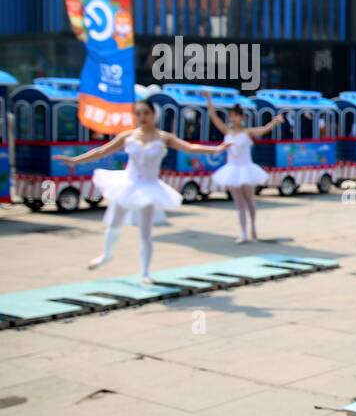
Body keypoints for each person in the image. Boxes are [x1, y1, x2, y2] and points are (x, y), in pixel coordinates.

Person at [61, 101, 225, 283]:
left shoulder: (164, 137)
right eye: (138, 114)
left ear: (154, 114)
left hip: (149, 187)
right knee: (114, 224)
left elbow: (190, 148)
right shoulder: (128, 136)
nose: (142, 117)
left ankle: (145, 272)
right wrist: (74, 160)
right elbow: (102, 151)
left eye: (146, 113)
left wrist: (216, 149)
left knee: (145, 233)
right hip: (127, 184)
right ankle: (106, 255)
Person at [204, 91, 285, 243]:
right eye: (231, 115)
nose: (233, 118)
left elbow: (263, 130)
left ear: (241, 117)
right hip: (232, 169)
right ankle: (243, 233)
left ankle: (253, 228)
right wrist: (209, 100)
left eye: (236, 115)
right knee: (239, 203)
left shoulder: (247, 132)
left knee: (250, 201)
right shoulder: (227, 131)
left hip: (246, 169)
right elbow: (214, 117)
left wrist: (275, 121)